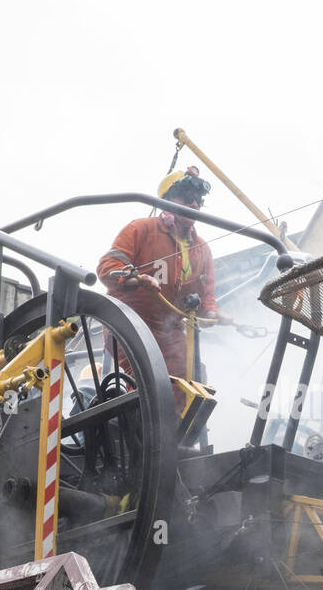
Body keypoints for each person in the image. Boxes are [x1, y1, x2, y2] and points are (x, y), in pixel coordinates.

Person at [96, 167, 226, 411]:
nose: (195, 204)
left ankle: (179, 440)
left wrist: (211, 313)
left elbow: (207, 295)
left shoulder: (202, 249)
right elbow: (107, 268)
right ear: (166, 202)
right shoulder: (140, 229)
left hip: (171, 332)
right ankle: (144, 436)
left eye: (198, 200)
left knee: (193, 380)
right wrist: (137, 278)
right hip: (129, 325)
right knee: (149, 383)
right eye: (187, 197)